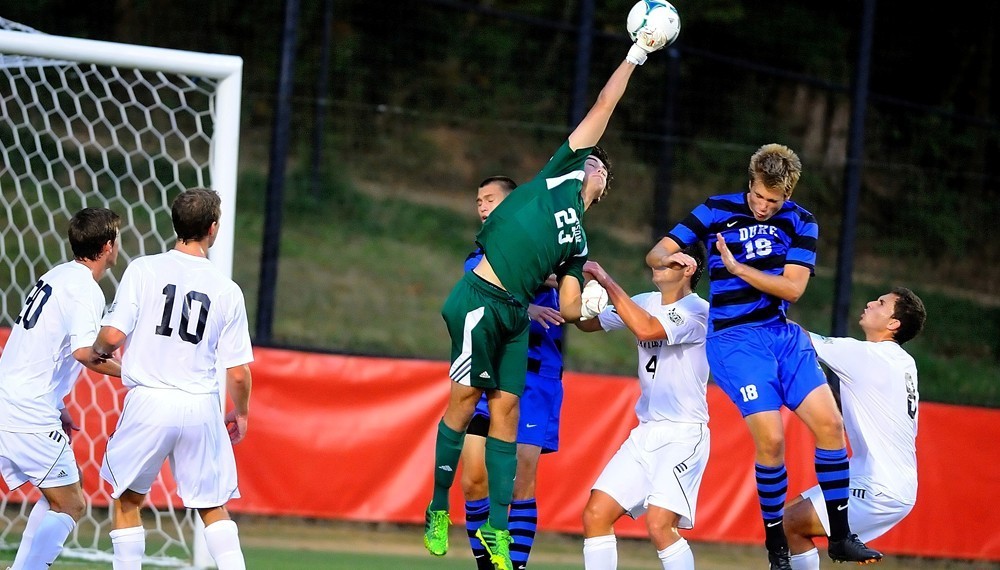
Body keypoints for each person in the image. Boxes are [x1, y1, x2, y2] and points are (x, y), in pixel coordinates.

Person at [425, 26, 672, 570]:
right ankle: (436, 510)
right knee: (466, 418)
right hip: (483, 302)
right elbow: (606, 104)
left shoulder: (578, 242)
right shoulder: (560, 173)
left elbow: (564, 308)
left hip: (520, 330)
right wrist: (635, 54)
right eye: (593, 158)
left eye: (602, 167)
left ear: (603, 188)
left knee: (511, 437)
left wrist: (587, 300)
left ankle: (504, 560)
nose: (595, 164)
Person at [645, 144, 882, 569]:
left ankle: (842, 537)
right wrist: (673, 256)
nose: (762, 206)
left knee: (831, 426)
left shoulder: (801, 221)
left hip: (782, 335)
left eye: (773, 200)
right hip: (735, 341)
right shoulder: (716, 209)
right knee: (771, 439)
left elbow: (793, 289)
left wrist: (738, 270)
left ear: (787, 195)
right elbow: (655, 253)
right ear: (750, 182)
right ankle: (777, 549)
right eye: (757, 195)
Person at [90, 188, 253, 570]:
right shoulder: (228, 290)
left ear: (175, 224)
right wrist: (240, 412)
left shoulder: (144, 269)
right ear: (212, 229)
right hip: (200, 406)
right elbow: (239, 374)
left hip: (150, 402)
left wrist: (97, 348)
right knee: (212, 506)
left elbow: (112, 337)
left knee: (128, 500)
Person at [0, 207, 123, 570]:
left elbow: (40, 344)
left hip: (14, 398)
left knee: (57, 496)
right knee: (71, 503)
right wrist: (133, 374)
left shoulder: (56, 275)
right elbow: (85, 352)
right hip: (27, 411)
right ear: (108, 246)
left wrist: (59, 404)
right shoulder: (86, 288)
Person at [575, 244, 710, 570]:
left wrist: (607, 282)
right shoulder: (643, 301)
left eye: (667, 258)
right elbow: (584, 323)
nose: (658, 261)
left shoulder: (699, 310)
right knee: (596, 514)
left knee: (661, 526)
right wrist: (572, 286)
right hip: (646, 432)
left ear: (688, 267)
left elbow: (647, 328)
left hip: (683, 435)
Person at [459, 176, 566, 570]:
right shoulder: (477, 257)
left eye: (490, 199)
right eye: (478, 200)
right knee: (474, 478)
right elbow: (484, 291)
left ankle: (513, 566)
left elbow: (567, 275)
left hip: (535, 377)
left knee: (520, 482)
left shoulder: (549, 242)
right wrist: (526, 308)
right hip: (487, 377)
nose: (482, 206)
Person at [783, 287, 926, 569]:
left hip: (881, 486)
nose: (871, 302)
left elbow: (796, 336)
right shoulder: (900, 360)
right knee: (786, 520)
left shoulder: (869, 356)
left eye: (881, 303)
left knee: (791, 522)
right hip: (878, 477)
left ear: (893, 323)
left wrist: (753, 309)